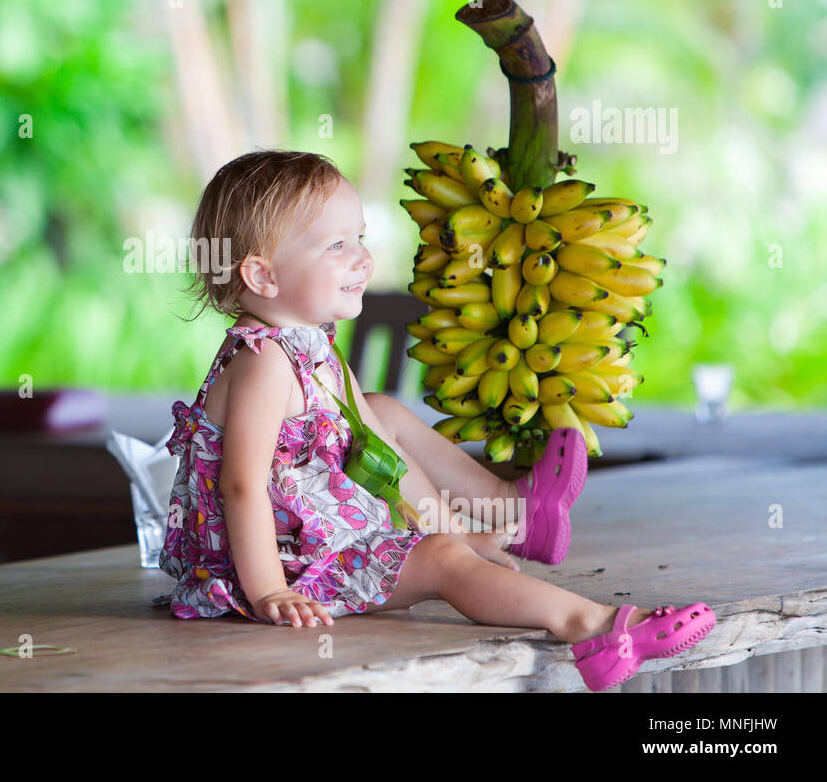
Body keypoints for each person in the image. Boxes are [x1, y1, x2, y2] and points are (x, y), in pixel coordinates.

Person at [158, 149, 715, 691]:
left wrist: (444, 528)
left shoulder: (311, 345)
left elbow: (373, 448)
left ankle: (498, 526)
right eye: (336, 245)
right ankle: (593, 628)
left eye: (360, 239)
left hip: (308, 542)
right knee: (442, 562)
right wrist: (268, 592)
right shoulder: (263, 361)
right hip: (273, 567)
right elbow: (242, 484)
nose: (363, 259)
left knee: (384, 420)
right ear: (262, 275)